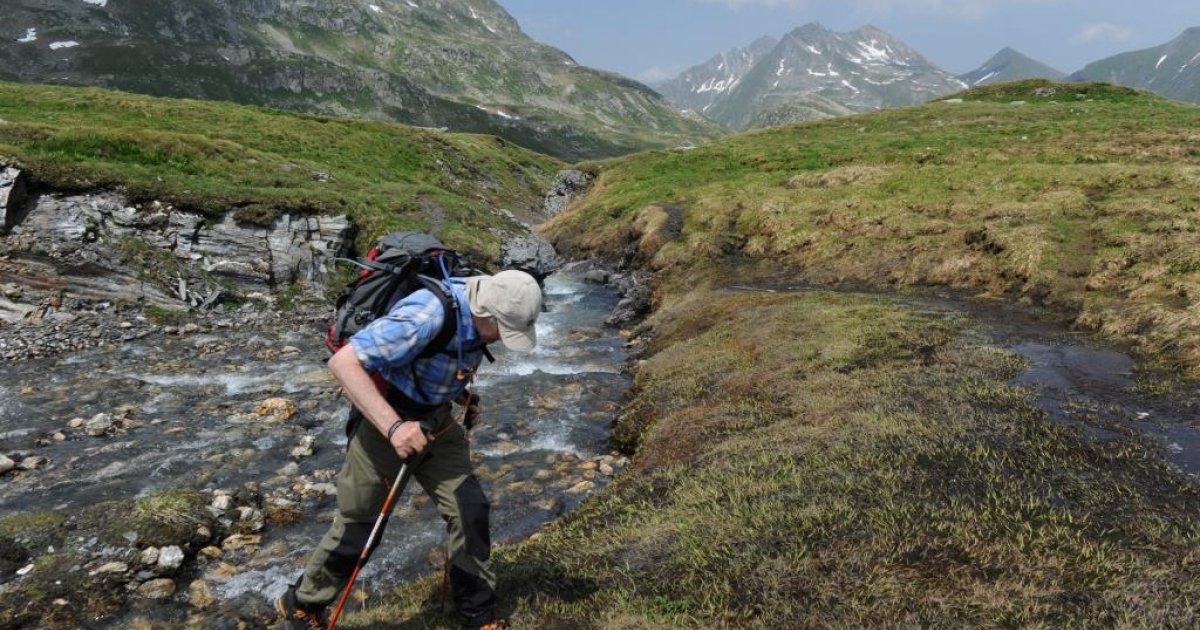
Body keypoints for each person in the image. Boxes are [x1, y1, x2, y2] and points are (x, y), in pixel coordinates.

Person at [276, 269, 543, 630]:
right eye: (503, 331)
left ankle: (478, 615)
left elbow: (440, 359)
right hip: (385, 424)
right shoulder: (425, 315)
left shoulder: (482, 311)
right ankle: (302, 603)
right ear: (485, 312)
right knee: (361, 526)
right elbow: (343, 364)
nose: (501, 340)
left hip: (436, 422)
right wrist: (395, 428)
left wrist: (459, 393)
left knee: (469, 509)